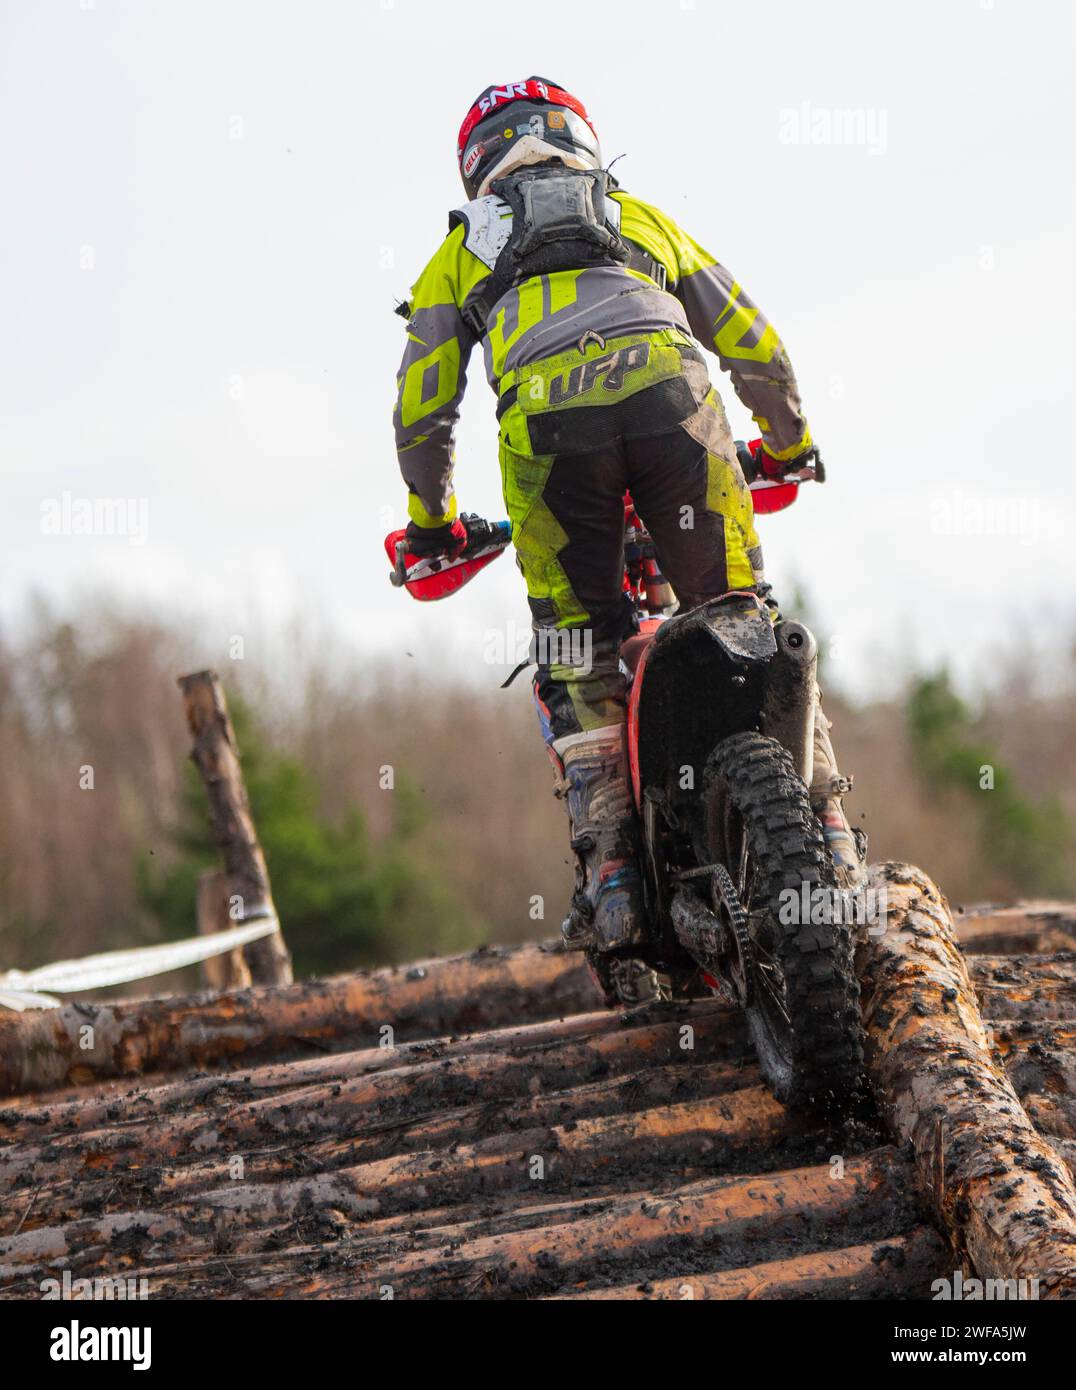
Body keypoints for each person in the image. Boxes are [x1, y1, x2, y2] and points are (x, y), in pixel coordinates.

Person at [392, 76, 862, 1003]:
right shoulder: (639, 215)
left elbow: (422, 409)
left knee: (578, 652)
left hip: (548, 440)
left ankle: (612, 873)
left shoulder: (459, 255)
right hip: (674, 402)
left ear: (477, 164)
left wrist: (432, 522)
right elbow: (753, 341)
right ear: (579, 139)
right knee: (747, 621)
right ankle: (835, 842)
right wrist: (792, 443)